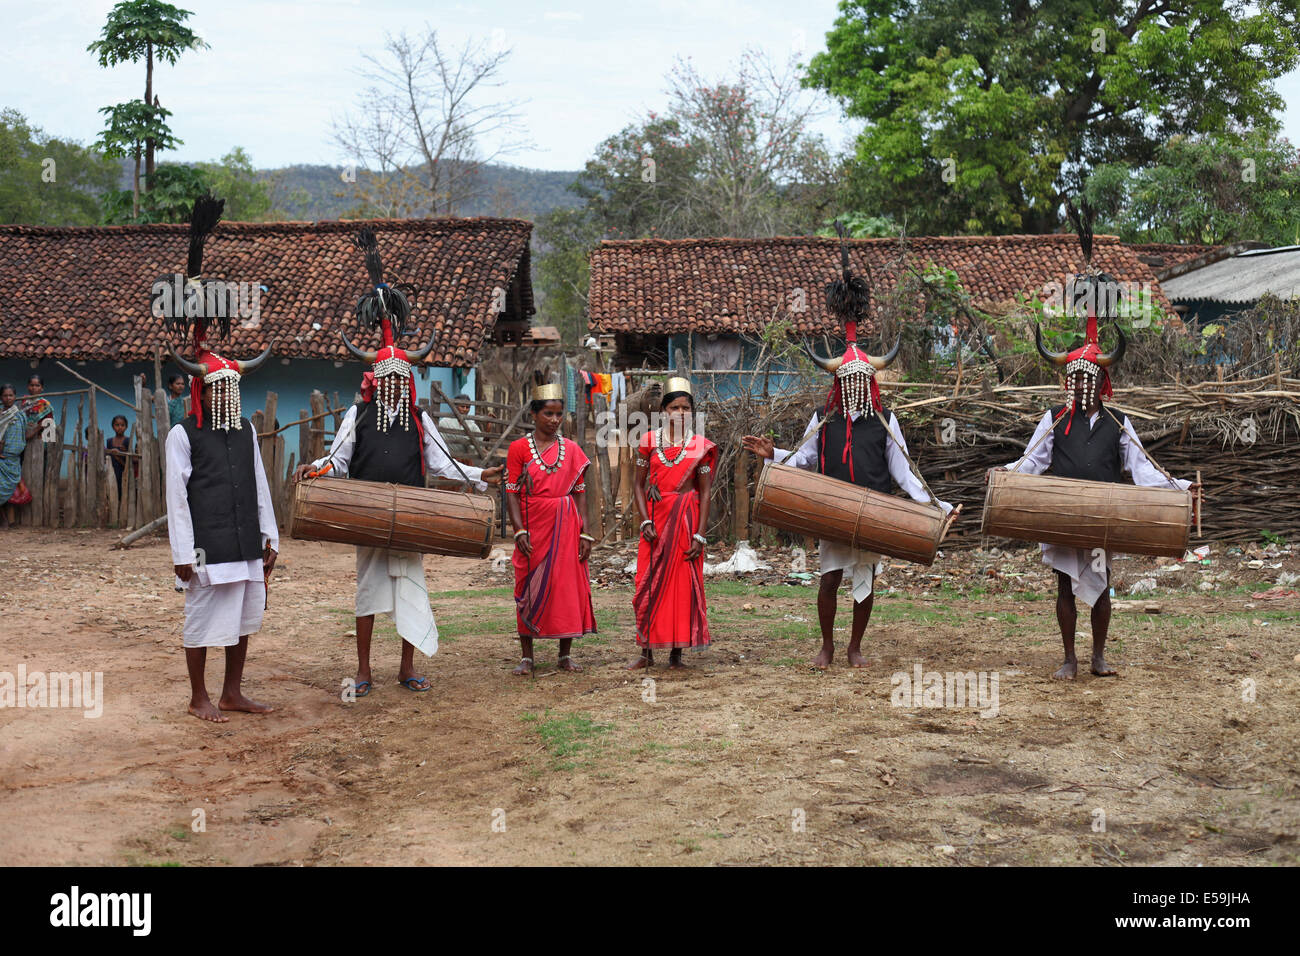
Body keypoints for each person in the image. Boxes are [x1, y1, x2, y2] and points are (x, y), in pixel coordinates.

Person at [294, 227, 500, 697]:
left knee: (410, 590)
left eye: (399, 377)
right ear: (375, 378)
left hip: (409, 514)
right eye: (385, 376)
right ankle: (364, 669)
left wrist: (479, 476)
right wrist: (317, 469)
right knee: (367, 593)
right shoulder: (358, 413)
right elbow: (338, 457)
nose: (391, 384)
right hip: (367, 513)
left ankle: (407, 668)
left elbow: (443, 462)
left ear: (406, 379)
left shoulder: (419, 417)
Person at [743, 232, 957, 668]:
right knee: (828, 579)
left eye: (862, 380)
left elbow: (904, 473)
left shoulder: (884, 422)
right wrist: (771, 455)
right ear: (837, 383)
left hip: (874, 509)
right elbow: (801, 461)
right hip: (832, 510)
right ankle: (826, 646)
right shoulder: (824, 421)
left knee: (866, 579)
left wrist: (938, 505)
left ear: (872, 384)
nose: (855, 386)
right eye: (847, 380)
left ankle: (855, 647)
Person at [1004, 301, 1196, 680]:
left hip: (1103, 518)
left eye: (1089, 378)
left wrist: (1179, 487)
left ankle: (1098, 656)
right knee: (1063, 584)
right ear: (1069, 383)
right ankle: (1068, 658)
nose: (1082, 385)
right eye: (1076, 379)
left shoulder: (1118, 421)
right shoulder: (1055, 418)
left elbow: (1142, 469)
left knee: (1101, 584)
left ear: (1100, 382)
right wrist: (1006, 474)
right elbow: (1032, 460)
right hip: (1062, 515)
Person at [162, 193, 279, 723]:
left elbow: (258, 484)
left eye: (232, 387)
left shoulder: (245, 431)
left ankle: (232, 691)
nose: (228, 396)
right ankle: (198, 696)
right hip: (206, 544)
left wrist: (270, 536)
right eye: (219, 388)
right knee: (204, 616)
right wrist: (182, 553)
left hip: (244, 537)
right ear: (203, 390)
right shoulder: (182, 435)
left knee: (243, 616)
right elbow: (178, 501)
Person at [505, 383, 597, 676]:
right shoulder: (518, 448)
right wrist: (519, 531)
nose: (555, 420)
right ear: (533, 414)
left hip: (566, 524)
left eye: (559, 414)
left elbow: (580, 491)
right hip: (533, 527)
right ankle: (527, 657)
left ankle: (564, 655)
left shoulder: (571, 449)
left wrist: (584, 532)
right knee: (526, 586)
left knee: (566, 587)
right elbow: (511, 491)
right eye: (548, 413)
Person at [628, 377, 716, 670]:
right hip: (655, 524)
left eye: (686, 408)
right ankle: (646, 653)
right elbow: (638, 486)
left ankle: (677, 654)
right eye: (674, 407)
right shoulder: (648, 441)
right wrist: (644, 522)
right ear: (663, 411)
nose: (680, 412)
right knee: (648, 583)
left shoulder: (701, 446)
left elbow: (704, 493)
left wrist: (700, 535)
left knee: (681, 588)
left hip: (685, 523)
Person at [0, 384, 27, 527]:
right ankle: (4, 521)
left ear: (15, 397)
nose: (8, 398)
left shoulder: (20, 415)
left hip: (12, 460)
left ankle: (6, 521)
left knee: (7, 489)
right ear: (1, 397)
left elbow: (23, 436)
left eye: (11, 395)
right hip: (0, 457)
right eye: (5, 395)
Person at [22, 374, 53, 448]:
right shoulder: (22, 402)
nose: (34, 388)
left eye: (37, 385)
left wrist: (36, 430)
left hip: (38, 440)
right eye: (31, 385)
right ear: (28, 387)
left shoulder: (45, 404)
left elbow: (49, 423)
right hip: (22, 438)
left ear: (42, 388)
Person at [105, 414, 130, 497]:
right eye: (117, 425)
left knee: (123, 492)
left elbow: (130, 458)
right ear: (113, 427)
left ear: (126, 427)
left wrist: (123, 452)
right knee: (112, 492)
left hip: (123, 471)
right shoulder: (109, 441)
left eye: (122, 425)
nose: (120, 427)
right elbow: (107, 457)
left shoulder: (127, 441)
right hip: (112, 471)